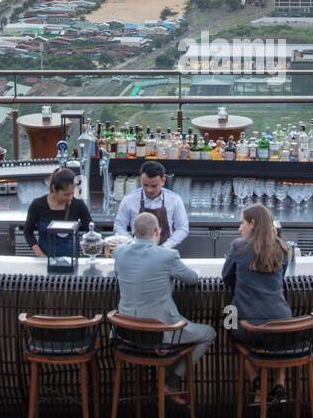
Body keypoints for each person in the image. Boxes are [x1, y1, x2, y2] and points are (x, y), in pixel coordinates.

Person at [113, 211, 214, 404]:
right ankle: (171, 382)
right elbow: (192, 279)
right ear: (157, 232)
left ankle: (162, 384)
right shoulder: (168, 256)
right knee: (208, 333)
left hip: (125, 335)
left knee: (168, 335)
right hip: (160, 335)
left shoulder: (119, 252)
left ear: (134, 232)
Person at [222, 203, 293, 403]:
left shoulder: (238, 246)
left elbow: (226, 277)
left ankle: (255, 380)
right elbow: (281, 279)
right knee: (280, 334)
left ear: (252, 224)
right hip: (283, 325)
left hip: (248, 328)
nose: (239, 228)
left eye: (241, 223)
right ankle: (280, 381)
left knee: (229, 323)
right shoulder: (282, 247)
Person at [112, 160, 189, 250]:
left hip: (164, 252)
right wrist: (132, 244)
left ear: (163, 181)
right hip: (137, 252)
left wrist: (165, 247)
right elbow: (119, 226)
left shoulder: (174, 200)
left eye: (154, 186)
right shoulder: (129, 199)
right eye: (145, 185)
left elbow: (182, 228)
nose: (149, 190)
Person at [22, 168, 94, 258]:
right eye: (66, 194)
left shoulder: (78, 204)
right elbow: (28, 231)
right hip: (45, 260)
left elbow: (91, 229)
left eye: (72, 193)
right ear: (54, 189)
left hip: (71, 260)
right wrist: (40, 254)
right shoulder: (37, 205)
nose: (70, 197)